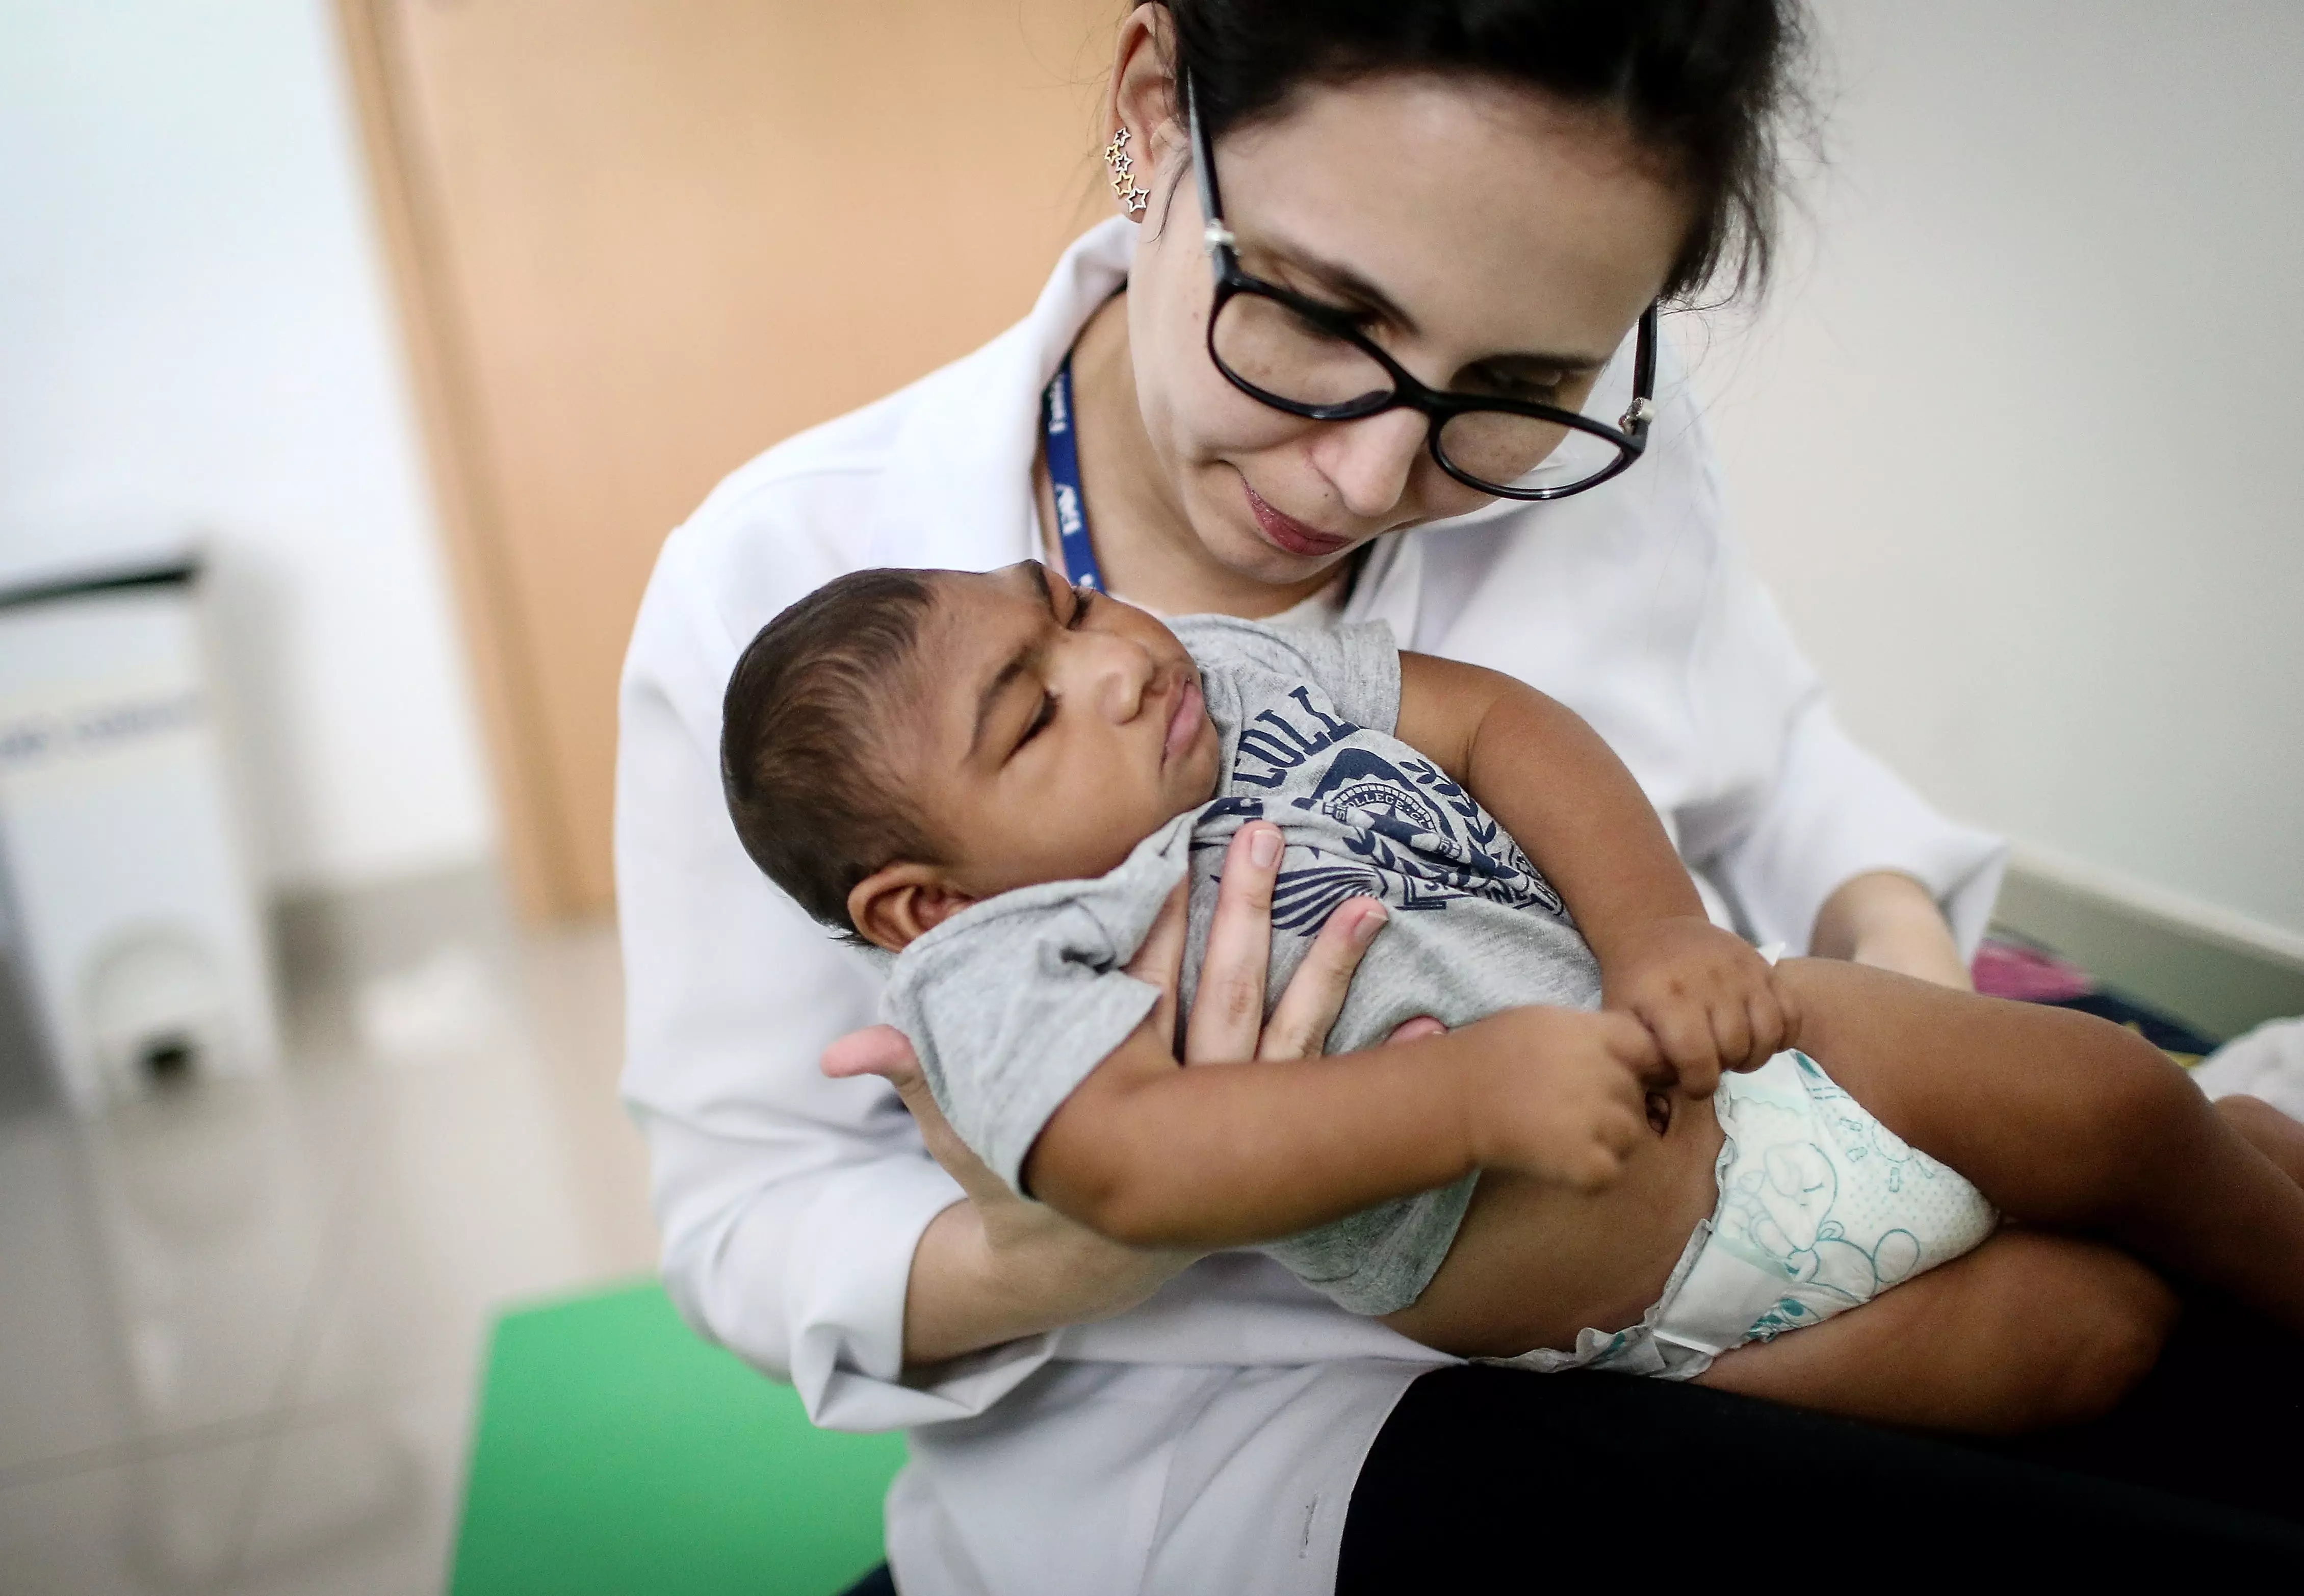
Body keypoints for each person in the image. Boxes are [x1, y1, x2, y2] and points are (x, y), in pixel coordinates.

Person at [616, 4, 2186, 1589]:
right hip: (1245, 1430)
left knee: (2157, 1288)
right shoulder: (777, 582)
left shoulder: (1604, 455)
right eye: (1314, 312)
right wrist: (1065, 1248)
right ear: (1153, 112)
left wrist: (1909, 1008)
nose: (1364, 484)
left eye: (1513, 377)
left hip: (1739, 1160)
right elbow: (750, 1213)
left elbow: (1772, 766)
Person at [717, 563, 2304, 1383]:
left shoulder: (1230, 670)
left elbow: (1498, 721)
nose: (1117, 661)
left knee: (2115, 1112)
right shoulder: (993, 969)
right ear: (921, 904)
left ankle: (2243, 1182)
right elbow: (1132, 1164)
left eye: (1064, 609)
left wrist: (1656, 934)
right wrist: (1463, 1098)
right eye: (1033, 710)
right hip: (1663, 1305)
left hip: (1763, 1056)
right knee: (2092, 1341)